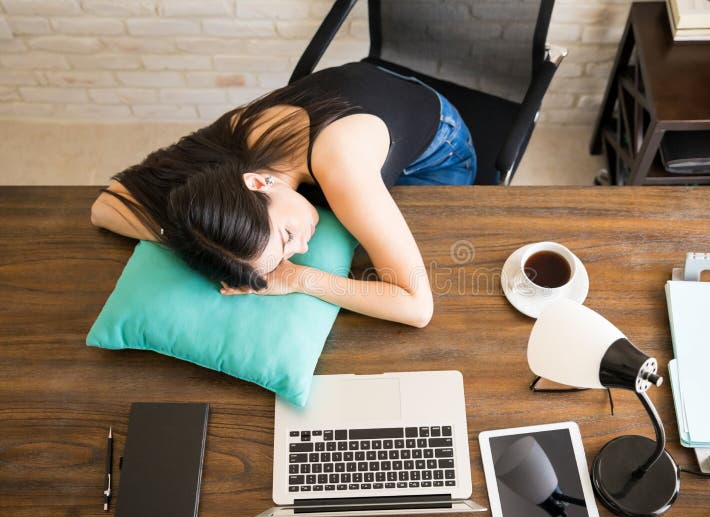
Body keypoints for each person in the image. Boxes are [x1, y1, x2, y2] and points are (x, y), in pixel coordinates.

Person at [90, 61, 477, 328]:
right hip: (373, 90)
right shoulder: (223, 166)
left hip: (441, 151)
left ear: (258, 184)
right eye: (287, 251)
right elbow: (105, 208)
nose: (303, 247)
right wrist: (193, 237)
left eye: (287, 236)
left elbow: (417, 307)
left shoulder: (342, 166)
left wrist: (297, 278)